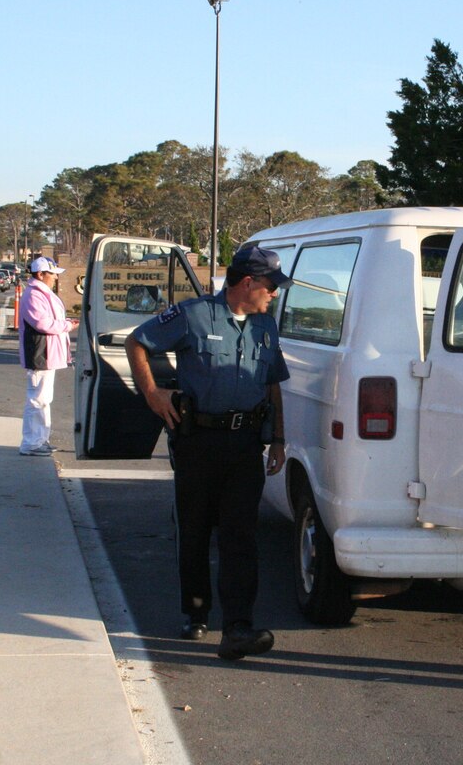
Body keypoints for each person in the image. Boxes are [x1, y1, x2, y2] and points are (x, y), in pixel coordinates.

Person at [125, 246, 291, 661]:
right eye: (270, 286)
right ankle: (196, 611)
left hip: (245, 443)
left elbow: (273, 384)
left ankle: (237, 627)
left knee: (241, 536)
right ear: (248, 282)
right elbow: (137, 343)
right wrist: (152, 393)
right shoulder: (193, 315)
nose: (273, 294)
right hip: (197, 440)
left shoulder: (266, 327)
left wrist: (279, 439)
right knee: (196, 530)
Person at [18, 256, 78, 456]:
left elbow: (50, 320)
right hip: (40, 352)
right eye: (52, 274)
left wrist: (66, 322)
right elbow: (42, 324)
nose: (55, 278)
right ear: (40, 274)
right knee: (38, 399)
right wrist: (68, 326)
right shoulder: (34, 295)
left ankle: (40, 439)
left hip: (47, 353)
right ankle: (31, 443)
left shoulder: (42, 293)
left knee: (44, 398)